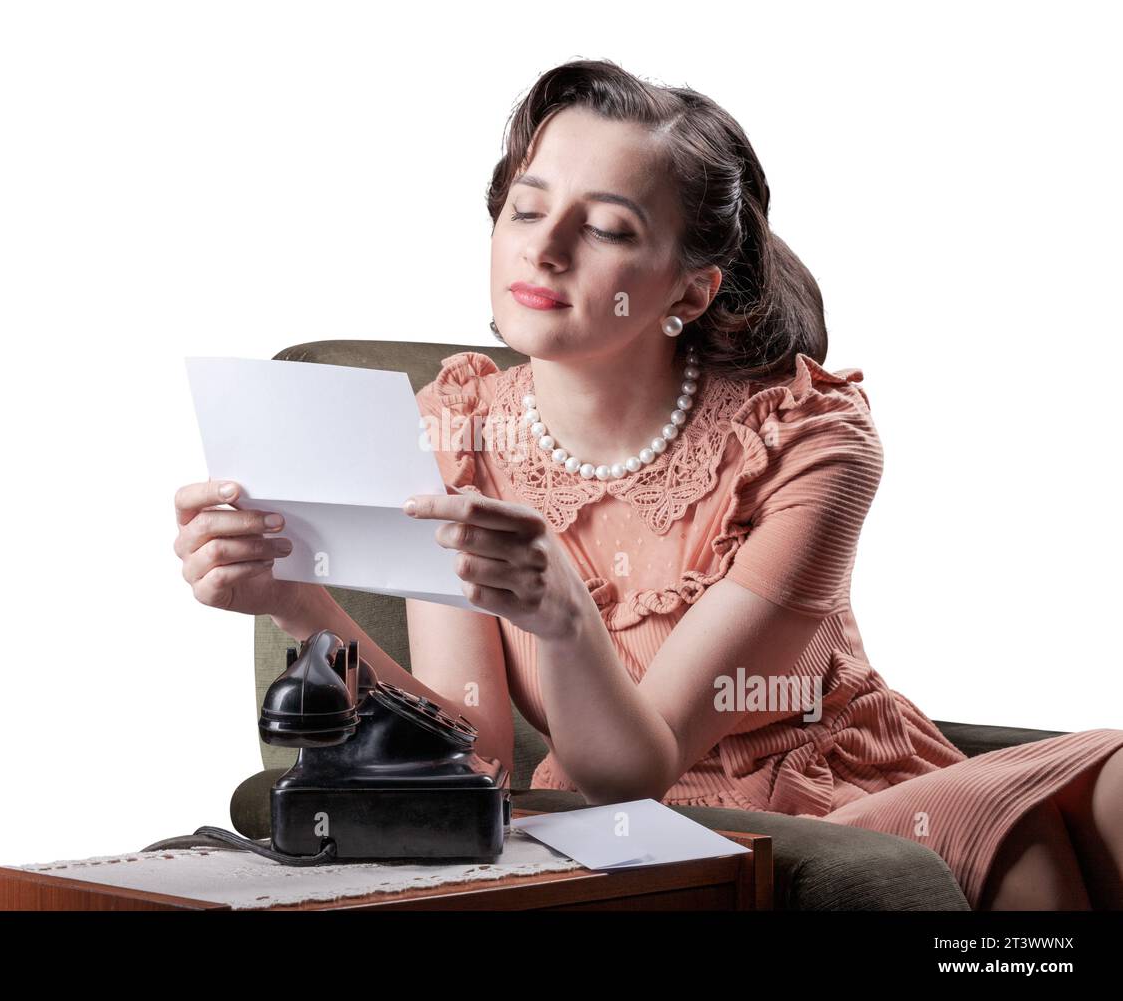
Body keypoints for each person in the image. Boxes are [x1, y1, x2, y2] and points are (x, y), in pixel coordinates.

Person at [173, 59, 1123, 911]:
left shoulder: (807, 439)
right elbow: (478, 757)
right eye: (527, 209)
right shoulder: (455, 428)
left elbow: (649, 748)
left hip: (853, 799)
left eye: (608, 229)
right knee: (1036, 850)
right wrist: (298, 603)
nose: (543, 251)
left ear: (688, 290)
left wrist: (562, 612)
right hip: (636, 825)